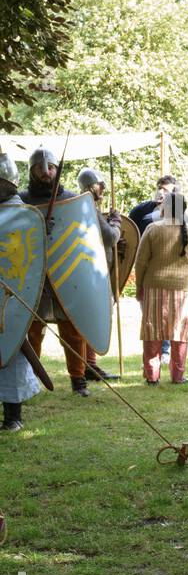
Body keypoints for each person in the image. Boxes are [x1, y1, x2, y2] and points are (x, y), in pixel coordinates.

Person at [22, 148, 90, 396]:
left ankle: (78, 379)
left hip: (66, 272)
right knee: (31, 331)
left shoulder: (72, 200)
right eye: (40, 167)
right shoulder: (21, 202)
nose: (46, 172)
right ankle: (31, 381)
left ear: (58, 170)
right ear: (32, 171)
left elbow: (87, 236)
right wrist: (35, 223)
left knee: (72, 330)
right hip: (33, 276)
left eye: (50, 167)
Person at [133, 190, 188, 384]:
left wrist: (139, 286)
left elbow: (140, 262)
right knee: (180, 334)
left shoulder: (152, 229)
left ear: (164, 208)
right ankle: (178, 376)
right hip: (184, 288)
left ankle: (151, 376)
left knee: (152, 332)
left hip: (154, 286)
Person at [1, 152, 41, 431]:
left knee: (11, 353)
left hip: (11, 297)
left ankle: (13, 416)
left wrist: (43, 232)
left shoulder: (24, 215)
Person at [75, 167, 124, 383]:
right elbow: (110, 237)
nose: (102, 188)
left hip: (89, 271)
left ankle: (90, 366)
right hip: (90, 273)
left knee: (90, 319)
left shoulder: (83, 206)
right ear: (89, 187)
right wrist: (116, 221)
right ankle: (87, 367)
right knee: (91, 319)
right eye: (99, 184)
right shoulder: (88, 208)